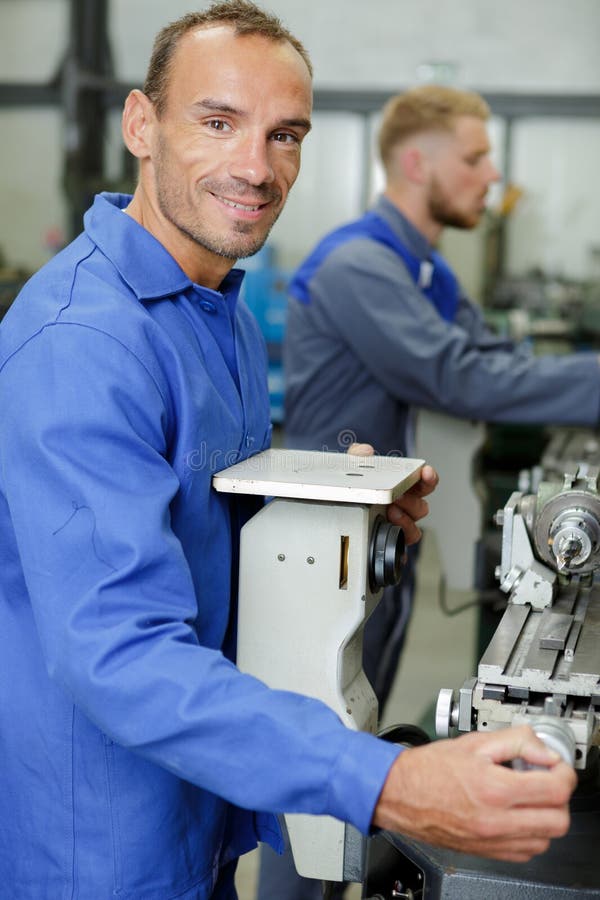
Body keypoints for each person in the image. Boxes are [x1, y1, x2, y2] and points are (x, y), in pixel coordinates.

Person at [0, 9, 575, 900]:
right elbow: (117, 653)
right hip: (102, 847)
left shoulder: (212, 304)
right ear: (141, 127)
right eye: (218, 122)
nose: (257, 168)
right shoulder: (84, 340)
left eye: (286, 135)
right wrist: (388, 783)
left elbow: (200, 523)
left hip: (204, 807)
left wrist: (333, 505)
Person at [266, 82, 600, 900]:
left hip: (381, 545)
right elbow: (460, 377)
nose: (493, 177)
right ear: (416, 162)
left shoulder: (424, 271)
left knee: (355, 745)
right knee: (308, 772)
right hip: (320, 561)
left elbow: (493, 357)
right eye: (477, 157)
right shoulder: (360, 265)